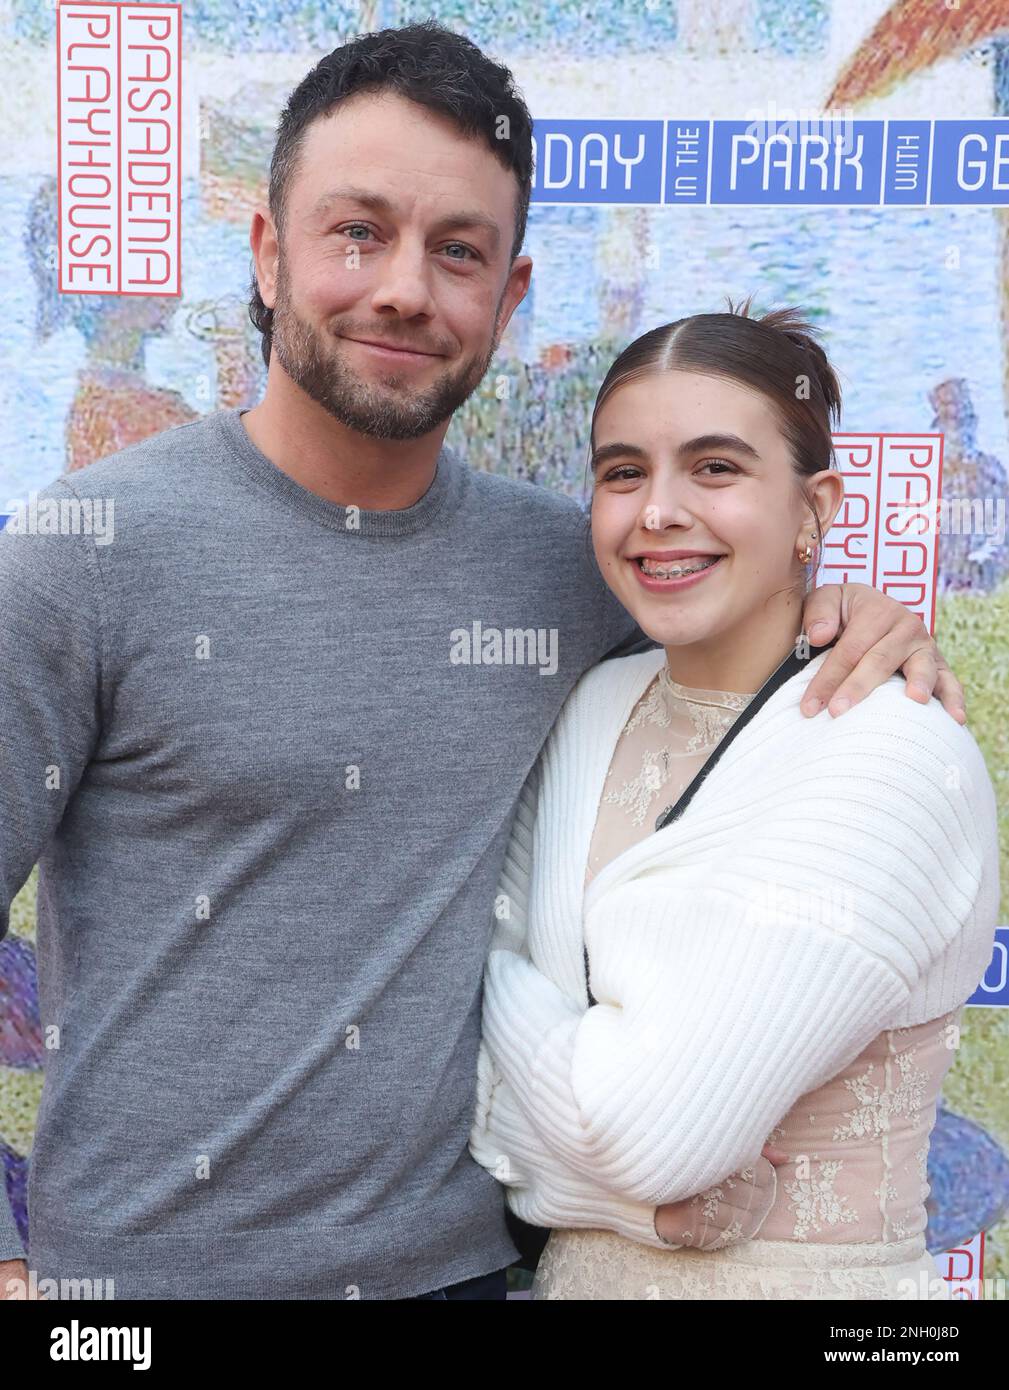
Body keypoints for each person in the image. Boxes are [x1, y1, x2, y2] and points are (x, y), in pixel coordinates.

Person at [0, 23, 967, 1301]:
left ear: (509, 299)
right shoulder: (84, 556)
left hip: (470, 1281)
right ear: (266, 255)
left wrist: (848, 608)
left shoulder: (572, 573)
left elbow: (725, 642)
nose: (404, 287)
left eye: (458, 250)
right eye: (356, 232)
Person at [468, 302, 999, 1300]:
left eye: (715, 467)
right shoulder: (595, 705)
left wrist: (514, 1034)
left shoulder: (890, 750)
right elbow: (478, 989)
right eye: (624, 471)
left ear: (815, 506)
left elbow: (650, 1132)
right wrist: (621, 1190)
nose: (658, 510)